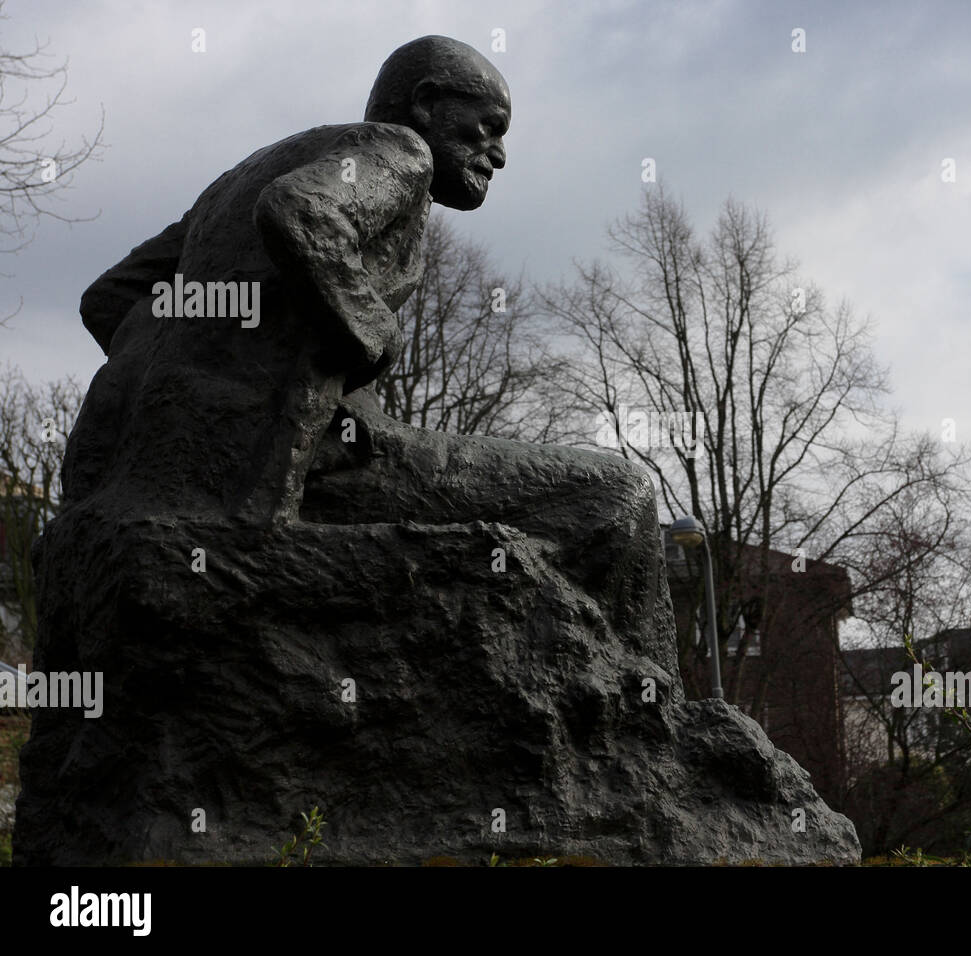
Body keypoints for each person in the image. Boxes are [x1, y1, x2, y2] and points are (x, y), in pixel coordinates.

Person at [64, 36, 671, 639]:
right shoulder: (401, 150)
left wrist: (192, 379)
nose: (500, 154)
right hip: (302, 466)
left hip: (181, 479)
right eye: (488, 127)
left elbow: (110, 298)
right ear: (427, 104)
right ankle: (647, 718)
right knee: (619, 496)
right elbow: (300, 211)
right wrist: (369, 330)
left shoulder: (240, 177)